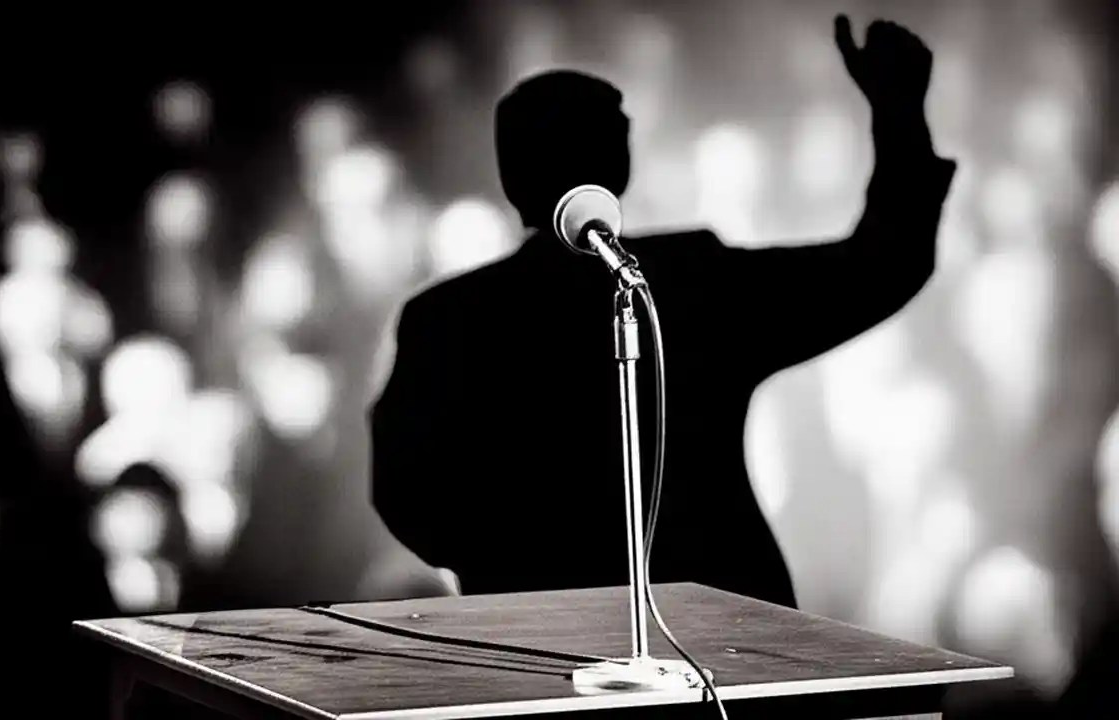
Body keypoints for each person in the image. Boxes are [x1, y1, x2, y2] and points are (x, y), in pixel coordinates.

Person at [368, 15, 956, 609]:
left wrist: (510, 566)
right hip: (721, 634)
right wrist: (898, 109)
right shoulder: (696, 283)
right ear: (618, 160)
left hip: (534, 639)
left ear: (510, 176)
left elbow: (403, 491)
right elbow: (881, 265)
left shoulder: (442, 319)